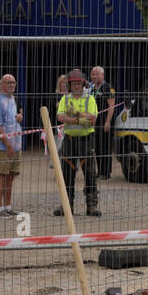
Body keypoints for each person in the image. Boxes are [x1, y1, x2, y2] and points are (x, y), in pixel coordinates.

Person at [54, 68, 100, 216]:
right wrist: (80, 120)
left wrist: (75, 113)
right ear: (69, 85)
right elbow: (60, 117)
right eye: (73, 83)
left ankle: (91, 207)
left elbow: (92, 120)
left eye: (78, 83)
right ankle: (67, 207)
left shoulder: (90, 99)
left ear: (83, 84)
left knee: (90, 174)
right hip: (69, 140)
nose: (76, 86)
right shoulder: (65, 99)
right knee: (67, 174)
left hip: (86, 140)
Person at [0, 73, 23, 216]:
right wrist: (8, 145)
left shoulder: (13, 99)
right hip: (4, 146)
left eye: (13, 82)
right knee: (2, 175)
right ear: (1, 85)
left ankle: (8, 206)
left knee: (11, 175)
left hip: (16, 143)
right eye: (8, 82)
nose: (11, 85)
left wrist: (19, 119)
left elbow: (11, 119)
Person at [89, 65, 116, 179]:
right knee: (97, 148)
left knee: (105, 147)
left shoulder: (108, 88)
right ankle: (100, 172)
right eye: (92, 74)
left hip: (105, 122)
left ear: (102, 75)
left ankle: (106, 173)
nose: (94, 76)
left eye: (96, 74)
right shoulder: (93, 88)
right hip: (95, 122)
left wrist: (107, 122)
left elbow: (111, 106)